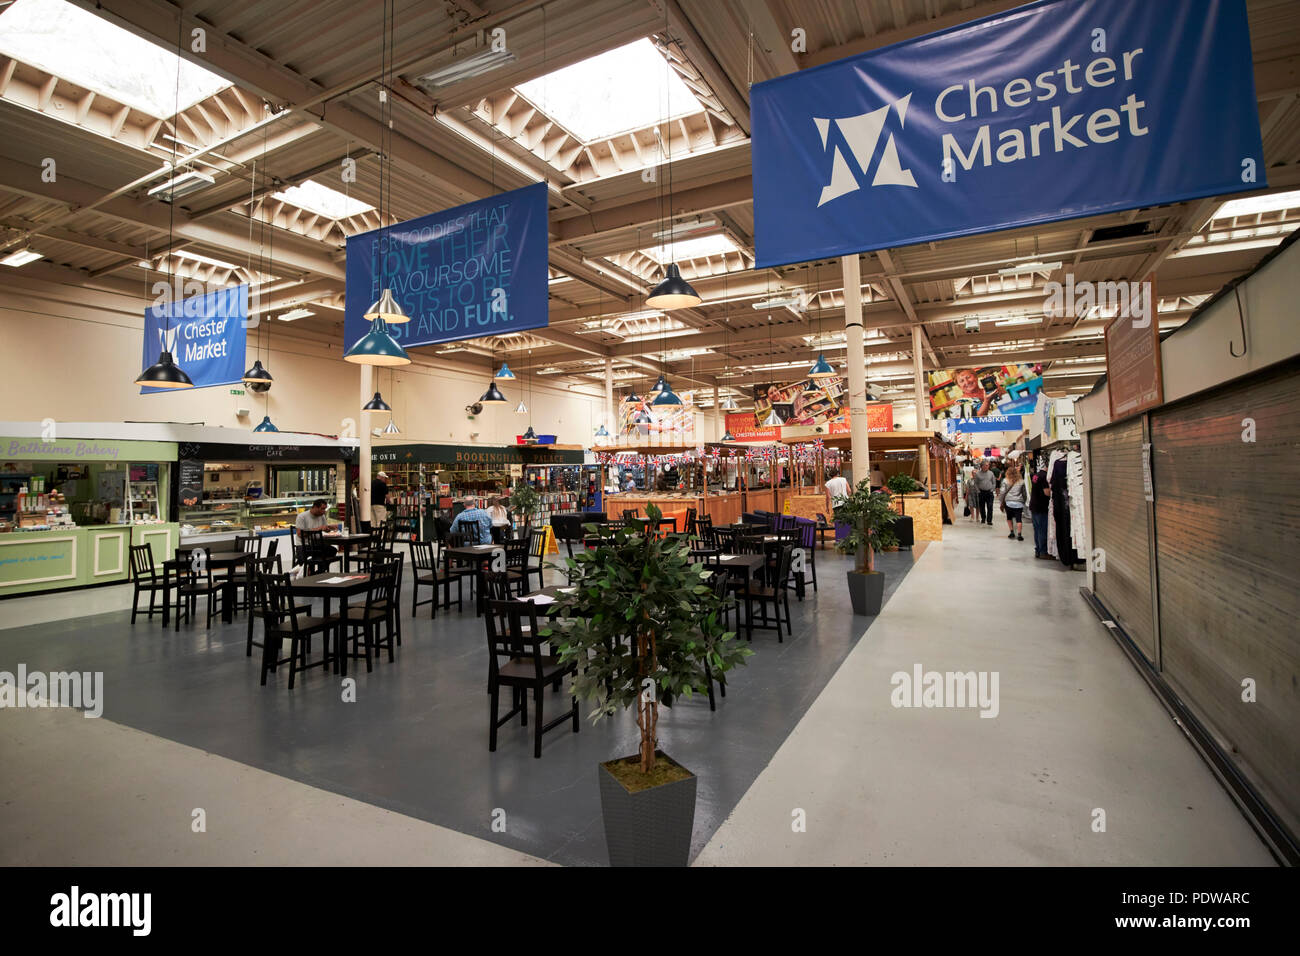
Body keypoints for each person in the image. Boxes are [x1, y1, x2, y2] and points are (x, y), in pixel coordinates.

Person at [295, 499, 337, 563]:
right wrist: (318, 529)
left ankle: (321, 571)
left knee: (332, 550)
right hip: (304, 546)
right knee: (308, 556)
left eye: (325, 509)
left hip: (317, 545)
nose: (324, 511)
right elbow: (300, 534)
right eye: (322, 509)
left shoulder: (322, 516)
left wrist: (330, 528)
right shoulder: (302, 516)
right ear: (315, 507)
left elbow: (325, 528)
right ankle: (308, 569)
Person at [1028, 461, 1052, 558]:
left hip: (1034, 506)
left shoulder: (1036, 475)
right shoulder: (1044, 477)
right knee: (1042, 530)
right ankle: (1043, 552)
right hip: (1041, 507)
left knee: (1037, 529)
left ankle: (1038, 550)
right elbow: (1047, 493)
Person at [999, 464, 1026, 541]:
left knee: (1009, 517)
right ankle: (1019, 534)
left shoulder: (1005, 481)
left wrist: (1001, 501)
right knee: (1019, 519)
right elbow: (1024, 493)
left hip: (1009, 502)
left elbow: (1002, 492)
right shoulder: (1021, 481)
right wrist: (1024, 500)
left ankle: (1011, 532)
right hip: (1019, 502)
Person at [973, 461, 997, 525]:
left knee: (990, 506)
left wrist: (992, 489)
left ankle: (989, 520)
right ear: (982, 466)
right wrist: (978, 491)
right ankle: (983, 518)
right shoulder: (978, 474)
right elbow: (975, 483)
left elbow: (994, 482)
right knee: (982, 507)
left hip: (989, 492)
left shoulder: (991, 473)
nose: (987, 466)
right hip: (981, 492)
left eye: (988, 465)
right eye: (986, 465)